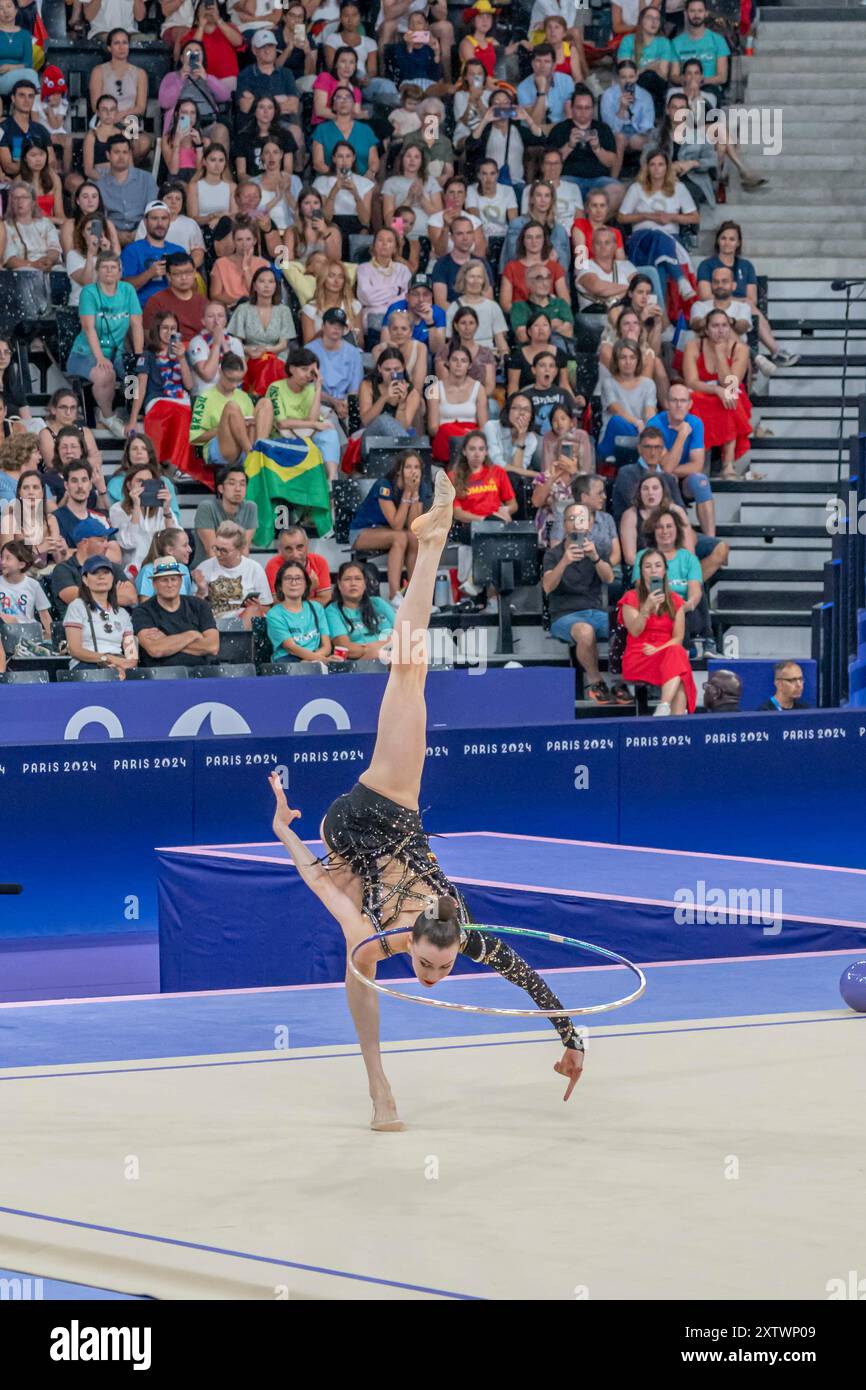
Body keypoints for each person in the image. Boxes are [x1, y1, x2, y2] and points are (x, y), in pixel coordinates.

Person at [268, 471, 584, 1131]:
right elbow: (520, 976)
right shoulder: (406, 935)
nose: (436, 973)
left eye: (437, 966)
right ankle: (432, 540)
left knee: (355, 936)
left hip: (346, 843)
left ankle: (432, 538)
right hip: (381, 806)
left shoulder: (449, 936)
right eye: (432, 964)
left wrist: (571, 1040)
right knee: (410, 671)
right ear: (417, 941)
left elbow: (524, 976)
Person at [543, 499, 615, 704]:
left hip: (595, 611)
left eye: (581, 519)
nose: (576, 523)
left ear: (590, 524)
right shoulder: (553, 554)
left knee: (623, 625)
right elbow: (547, 586)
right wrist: (565, 561)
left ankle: (621, 681)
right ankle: (596, 682)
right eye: (571, 519)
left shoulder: (597, 549)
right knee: (585, 631)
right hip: (564, 615)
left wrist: (595, 558)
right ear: (564, 524)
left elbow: (609, 578)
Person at [697, 222, 798, 367]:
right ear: (718, 241)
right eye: (723, 238)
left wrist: (739, 301)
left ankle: (771, 353)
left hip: (742, 310)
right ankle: (775, 351)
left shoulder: (746, 266)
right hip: (715, 307)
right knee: (745, 308)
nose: (727, 243)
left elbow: (752, 299)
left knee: (750, 306)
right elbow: (705, 296)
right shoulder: (706, 265)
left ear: (738, 243)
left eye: (732, 239)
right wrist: (737, 300)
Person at [619, 547, 696, 715]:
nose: (653, 570)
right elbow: (635, 631)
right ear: (641, 571)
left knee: (677, 654)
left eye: (658, 565)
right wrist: (646, 608)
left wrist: (659, 649)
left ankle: (664, 707)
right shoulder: (630, 598)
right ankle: (675, 728)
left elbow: (678, 638)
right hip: (640, 654)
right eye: (647, 566)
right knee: (681, 667)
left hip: (666, 652)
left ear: (665, 570)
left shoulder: (676, 601)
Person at [349, 452, 430, 601]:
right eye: (408, 467)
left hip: (389, 531)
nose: (413, 471)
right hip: (363, 531)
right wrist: (407, 493)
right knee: (399, 537)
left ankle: (415, 596)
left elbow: (413, 526)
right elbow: (397, 524)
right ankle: (394, 596)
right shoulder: (384, 485)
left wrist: (415, 493)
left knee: (414, 538)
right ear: (399, 470)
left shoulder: (421, 486)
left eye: (417, 467)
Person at [254, 347, 341, 482]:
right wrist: (313, 423)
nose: (308, 375)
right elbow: (282, 423)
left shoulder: (311, 389)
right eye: (304, 369)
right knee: (322, 426)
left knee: (330, 434)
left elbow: (313, 419)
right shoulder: (276, 388)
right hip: (279, 438)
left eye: (312, 372)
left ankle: (331, 480)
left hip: (304, 436)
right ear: (291, 368)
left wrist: (318, 389)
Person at [682, 309, 751, 479]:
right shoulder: (693, 345)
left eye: (724, 325)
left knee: (731, 398)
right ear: (706, 330)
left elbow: (731, 383)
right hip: (702, 391)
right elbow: (691, 381)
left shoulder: (740, 348)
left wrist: (720, 355)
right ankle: (700, 460)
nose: (720, 330)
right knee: (695, 402)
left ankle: (728, 463)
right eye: (715, 326)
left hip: (730, 391)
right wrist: (716, 390)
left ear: (730, 328)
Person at [647, 382, 720, 541]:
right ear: (666, 403)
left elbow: (697, 465)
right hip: (658, 480)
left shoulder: (695, 423)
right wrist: (682, 435)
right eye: (674, 401)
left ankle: (711, 540)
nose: (679, 405)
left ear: (690, 404)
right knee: (668, 478)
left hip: (683, 478)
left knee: (700, 481)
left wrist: (671, 468)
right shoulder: (655, 424)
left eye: (683, 401)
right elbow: (665, 468)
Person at [132, 555, 220, 667]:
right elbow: (155, 650)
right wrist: (192, 634)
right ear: (154, 584)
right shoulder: (143, 611)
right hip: (162, 676)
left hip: (201, 674)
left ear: (180, 581)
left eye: (173, 579)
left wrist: (167, 641)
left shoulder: (199, 605)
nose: (170, 585)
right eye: (164, 580)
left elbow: (212, 646)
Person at [547, 85, 624, 211]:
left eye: (587, 108)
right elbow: (549, 162)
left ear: (593, 109)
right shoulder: (559, 129)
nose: (583, 111)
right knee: (552, 188)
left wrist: (598, 148)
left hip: (598, 181)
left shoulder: (603, 129)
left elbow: (612, 162)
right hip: (568, 179)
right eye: (579, 107)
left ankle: (591, 222)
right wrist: (569, 145)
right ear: (571, 108)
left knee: (618, 190)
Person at [63, 555, 138, 675]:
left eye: (106, 572)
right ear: (85, 580)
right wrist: (108, 659)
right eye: (95, 573)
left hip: (118, 665)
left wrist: (122, 666)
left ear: (112, 578)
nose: (101, 576)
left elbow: (132, 656)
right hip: (87, 665)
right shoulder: (77, 606)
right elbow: (75, 650)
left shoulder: (123, 614)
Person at [227, 264, 295, 397]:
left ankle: (260, 397)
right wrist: (248, 350)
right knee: (264, 363)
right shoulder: (243, 309)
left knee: (270, 362)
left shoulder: (284, 311)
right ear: (254, 286)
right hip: (249, 355)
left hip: (277, 356)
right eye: (262, 281)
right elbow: (235, 342)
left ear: (276, 286)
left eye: (271, 282)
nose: (267, 285)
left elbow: (283, 345)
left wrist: (265, 350)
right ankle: (268, 399)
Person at [87, 30, 151, 164]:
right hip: (106, 117)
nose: (121, 47)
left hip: (130, 118)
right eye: (117, 43)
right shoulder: (99, 71)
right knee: (112, 141)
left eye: (125, 43)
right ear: (109, 48)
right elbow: (95, 105)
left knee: (142, 143)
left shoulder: (140, 73)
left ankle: (127, 171)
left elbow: (140, 107)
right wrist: (111, 115)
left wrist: (122, 114)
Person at [190, 355, 257, 475]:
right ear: (220, 372)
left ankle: (253, 454)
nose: (235, 385)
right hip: (221, 451)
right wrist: (227, 427)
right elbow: (195, 437)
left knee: (265, 404)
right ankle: (253, 456)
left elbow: (252, 426)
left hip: (244, 447)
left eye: (239, 380)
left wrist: (245, 426)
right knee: (232, 407)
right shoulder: (204, 399)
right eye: (231, 379)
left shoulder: (244, 397)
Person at [192, 517, 271, 618]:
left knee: (253, 611)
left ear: (239, 550)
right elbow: (193, 611)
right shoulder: (204, 568)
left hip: (245, 621)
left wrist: (257, 606)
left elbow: (266, 608)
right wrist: (201, 591)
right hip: (213, 623)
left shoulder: (254, 569)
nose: (218, 554)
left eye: (224, 550)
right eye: (216, 548)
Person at [108, 462, 178, 572]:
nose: (144, 486)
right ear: (129, 485)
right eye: (140, 481)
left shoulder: (162, 509)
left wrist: (167, 511)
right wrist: (136, 507)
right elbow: (128, 542)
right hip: (133, 571)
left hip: (161, 569)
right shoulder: (117, 509)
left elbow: (174, 542)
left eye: (149, 482)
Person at [598, 338, 657, 459]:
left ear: (638, 360)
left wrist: (648, 428)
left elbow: (650, 411)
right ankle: (647, 447)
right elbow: (616, 409)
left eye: (632, 357)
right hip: (613, 439)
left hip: (639, 435)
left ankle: (647, 446)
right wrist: (637, 423)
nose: (628, 362)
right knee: (616, 421)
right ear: (616, 361)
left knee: (660, 421)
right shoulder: (608, 383)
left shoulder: (648, 384)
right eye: (623, 358)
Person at [427, 345, 488, 463]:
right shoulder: (435, 388)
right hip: (445, 439)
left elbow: (484, 426)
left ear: (469, 365)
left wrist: (466, 436)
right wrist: (455, 433)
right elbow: (433, 428)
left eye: (463, 361)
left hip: (472, 439)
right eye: (454, 360)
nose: (458, 364)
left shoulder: (479, 388)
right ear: (448, 363)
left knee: (475, 442)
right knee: (445, 429)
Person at [265, 559, 333, 664]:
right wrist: (318, 660)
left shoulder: (317, 608)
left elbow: (327, 646)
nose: (294, 582)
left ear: (306, 584)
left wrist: (311, 660)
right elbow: (291, 648)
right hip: (287, 661)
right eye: (288, 578)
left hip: (316, 656)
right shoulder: (274, 614)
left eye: (298, 578)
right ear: (279, 586)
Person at [121, 199, 185, 308]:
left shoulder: (178, 250)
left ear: (169, 222)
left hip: (174, 309)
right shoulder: (132, 250)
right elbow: (124, 289)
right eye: (154, 218)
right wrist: (149, 273)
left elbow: (191, 288)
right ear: (145, 222)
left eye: (164, 218)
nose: (160, 224)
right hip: (142, 309)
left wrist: (175, 278)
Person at [325, 560, 395, 660]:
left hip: (391, 656)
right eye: (347, 579)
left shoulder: (378, 603)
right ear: (339, 585)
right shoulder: (332, 611)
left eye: (358, 579)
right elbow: (345, 648)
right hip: (358, 664)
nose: (353, 583)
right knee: (380, 654)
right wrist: (373, 648)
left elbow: (404, 632)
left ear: (365, 584)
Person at [96, 134, 158, 245]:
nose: (121, 157)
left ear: (130, 154)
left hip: (144, 237)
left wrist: (140, 232)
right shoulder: (99, 186)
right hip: (111, 240)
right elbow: (97, 220)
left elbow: (153, 211)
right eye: (116, 152)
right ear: (108, 155)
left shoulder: (147, 179)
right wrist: (114, 235)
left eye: (125, 152)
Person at [309, 309, 364, 427]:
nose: (336, 328)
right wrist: (333, 402)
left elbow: (355, 388)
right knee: (330, 421)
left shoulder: (353, 353)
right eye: (332, 324)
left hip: (347, 405)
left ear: (345, 329)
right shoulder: (309, 351)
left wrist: (344, 404)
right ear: (323, 326)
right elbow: (306, 387)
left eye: (340, 325)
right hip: (317, 402)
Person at [142, 251, 207, 342]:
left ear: (194, 273)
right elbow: (149, 336)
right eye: (177, 274)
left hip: (200, 351)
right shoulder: (156, 301)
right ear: (168, 276)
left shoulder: (202, 301)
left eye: (188, 272)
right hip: (169, 351)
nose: (184, 278)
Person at [356, 227, 411, 334]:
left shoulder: (403, 269)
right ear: (373, 245)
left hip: (398, 317)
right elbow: (368, 297)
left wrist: (379, 294)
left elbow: (406, 297)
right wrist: (395, 290)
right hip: (371, 318)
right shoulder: (363, 268)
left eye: (389, 241)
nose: (384, 244)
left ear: (395, 248)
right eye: (380, 240)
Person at [209, 220, 270, 311]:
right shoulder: (221, 263)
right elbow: (215, 294)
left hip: (256, 308)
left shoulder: (263, 264)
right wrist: (238, 303)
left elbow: (259, 293)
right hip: (231, 308)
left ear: (254, 241)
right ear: (234, 241)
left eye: (248, 239)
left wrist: (246, 268)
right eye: (239, 240)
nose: (244, 244)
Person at [264, 526, 332, 606]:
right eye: (288, 549)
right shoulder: (273, 565)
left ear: (307, 545)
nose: (295, 554)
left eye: (300, 547)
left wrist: (292, 601)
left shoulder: (319, 562)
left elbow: (325, 599)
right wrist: (308, 588)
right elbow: (277, 604)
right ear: (280, 550)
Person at [187, 300, 245, 394]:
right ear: (203, 321)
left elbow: (238, 375)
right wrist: (217, 344)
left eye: (220, 316)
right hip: (206, 394)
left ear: (226, 320)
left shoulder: (235, 342)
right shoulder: (196, 342)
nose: (216, 321)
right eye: (210, 316)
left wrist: (224, 343)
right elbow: (208, 375)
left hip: (232, 394)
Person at [670, 0, 729, 89]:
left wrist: (701, 81)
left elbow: (722, 77)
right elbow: (673, 75)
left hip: (709, 89)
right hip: (684, 89)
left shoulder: (718, 41)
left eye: (700, 11)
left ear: (706, 13)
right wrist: (684, 80)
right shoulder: (676, 43)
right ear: (686, 13)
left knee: (699, 102)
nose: (696, 15)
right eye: (692, 11)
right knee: (674, 99)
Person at [381, 273, 447, 354]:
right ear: (407, 297)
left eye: (426, 294)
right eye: (415, 294)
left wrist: (430, 322)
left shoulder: (438, 313)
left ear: (431, 297)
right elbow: (385, 344)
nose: (421, 299)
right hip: (398, 355)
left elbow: (438, 351)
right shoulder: (395, 308)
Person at [301, 262, 363, 346]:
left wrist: (351, 334)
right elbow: (307, 347)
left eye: (340, 277)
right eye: (331, 276)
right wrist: (325, 332)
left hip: (349, 353)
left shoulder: (354, 306)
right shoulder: (309, 309)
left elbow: (361, 344)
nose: (336, 281)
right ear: (323, 279)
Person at [0, 540, 52, 635]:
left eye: (8, 558)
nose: (2, 562)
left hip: (28, 634)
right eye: (2, 557)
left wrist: (52, 638)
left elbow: (44, 615)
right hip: (3, 634)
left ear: (21, 564)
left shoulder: (33, 585)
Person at [136, 527, 193, 596]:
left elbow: (188, 601)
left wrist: (201, 590)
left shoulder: (184, 569)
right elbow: (144, 603)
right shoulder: (148, 570)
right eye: (185, 545)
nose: (190, 550)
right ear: (170, 550)